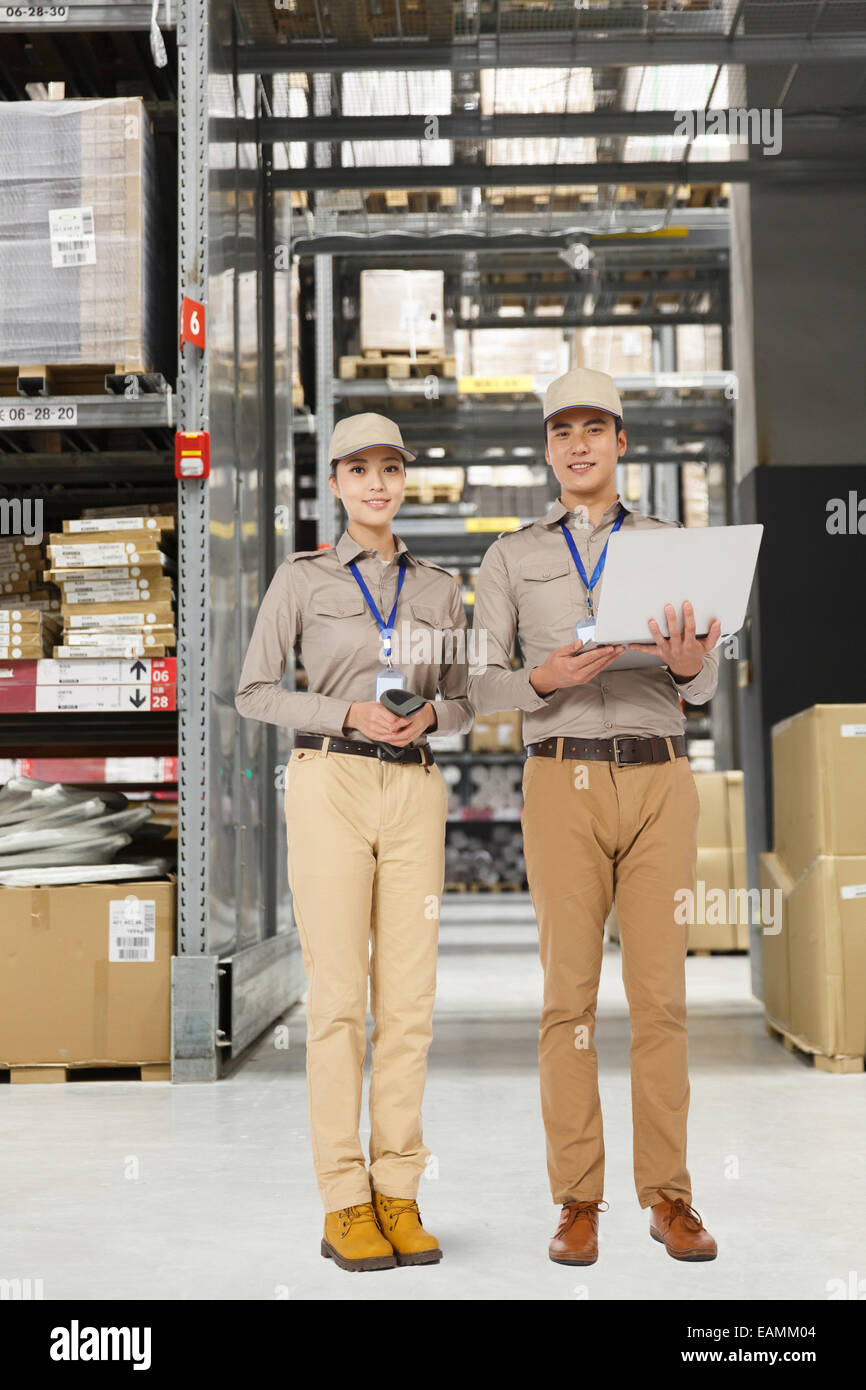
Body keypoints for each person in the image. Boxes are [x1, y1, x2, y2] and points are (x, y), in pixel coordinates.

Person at [468, 367, 720, 1266]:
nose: (577, 444)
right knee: (568, 1000)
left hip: (659, 781)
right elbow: (477, 681)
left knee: (661, 999)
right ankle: (578, 1200)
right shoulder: (509, 558)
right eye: (561, 431)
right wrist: (542, 678)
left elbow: (705, 681)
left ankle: (671, 1197)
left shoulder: (673, 547)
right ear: (548, 449)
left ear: (622, 442)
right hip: (561, 779)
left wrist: (692, 665)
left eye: (594, 429)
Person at [235, 412, 472, 1273]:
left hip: (412, 790)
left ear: (405, 480)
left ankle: (399, 1192)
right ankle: (343, 1201)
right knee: (338, 1003)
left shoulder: (443, 590)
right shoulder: (301, 581)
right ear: (334, 484)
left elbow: (466, 698)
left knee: (408, 1004)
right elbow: (254, 691)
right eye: (359, 470)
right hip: (329, 779)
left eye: (391, 469)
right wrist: (345, 711)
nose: (377, 483)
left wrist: (431, 718)